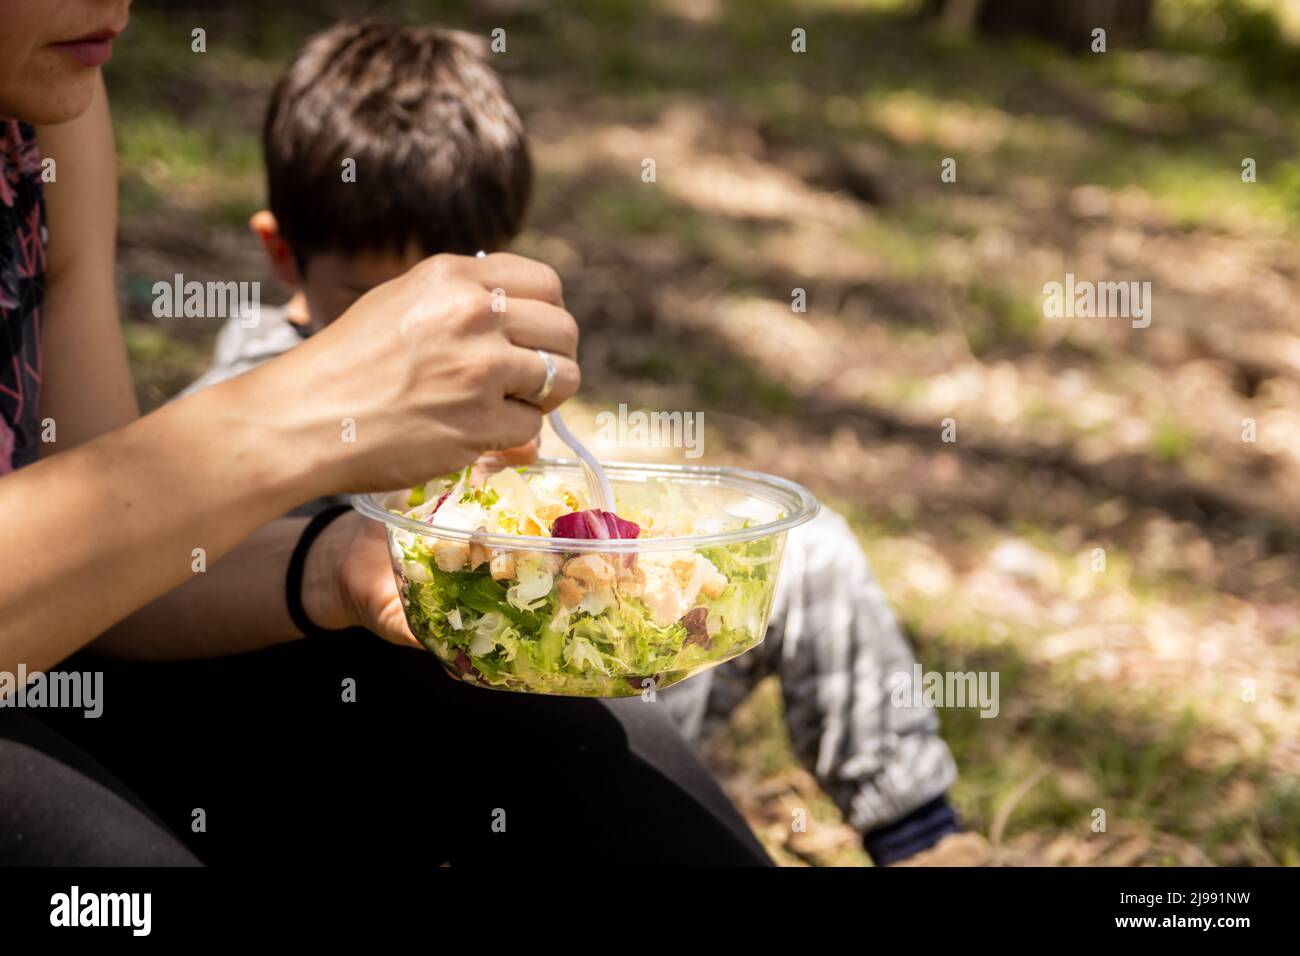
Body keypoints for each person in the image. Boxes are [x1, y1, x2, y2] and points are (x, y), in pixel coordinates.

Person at [181, 19, 985, 866]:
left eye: (449, 297)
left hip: (576, 689)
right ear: (282, 255)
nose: (409, 344)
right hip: (409, 751)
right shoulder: (239, 410)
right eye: (370, 302)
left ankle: (921, 834)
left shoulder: (491, 375)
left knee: (808, 551)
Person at [0, 3, 772, 866]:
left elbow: (105, 580)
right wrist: (317, 406)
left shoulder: (49, 104)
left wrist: (343, 564)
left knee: (597, 757)